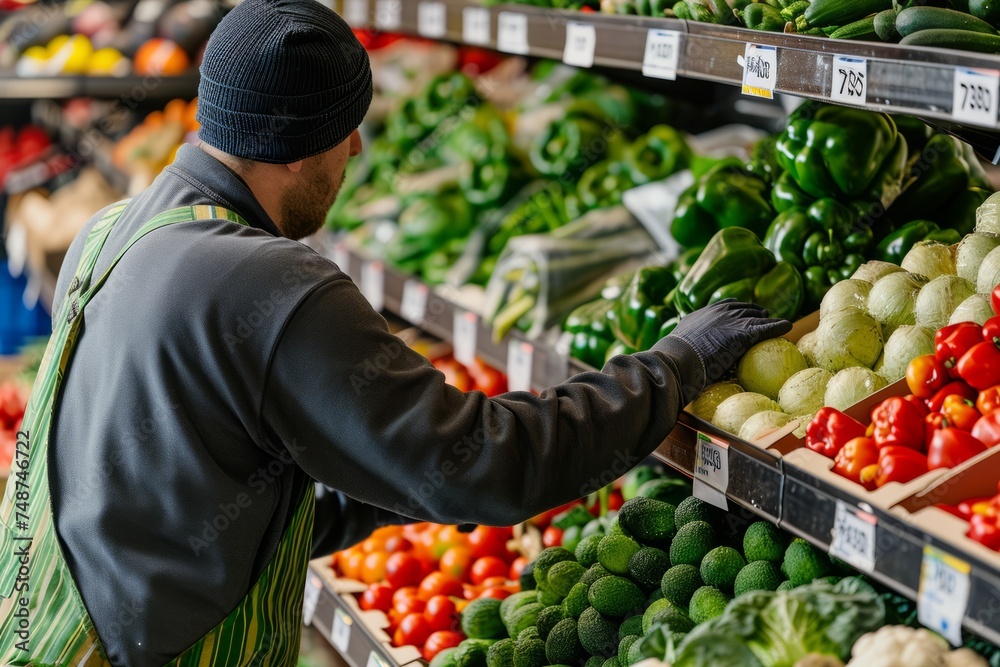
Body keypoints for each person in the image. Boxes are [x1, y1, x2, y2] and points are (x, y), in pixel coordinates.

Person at [0, 0, 790, 663]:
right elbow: (486, 465)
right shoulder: (267, 283)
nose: (355, 148)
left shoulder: (112, 231)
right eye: (347, 128)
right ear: (302, 143)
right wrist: (673, 365)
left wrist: (397, 461)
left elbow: (203, 477)